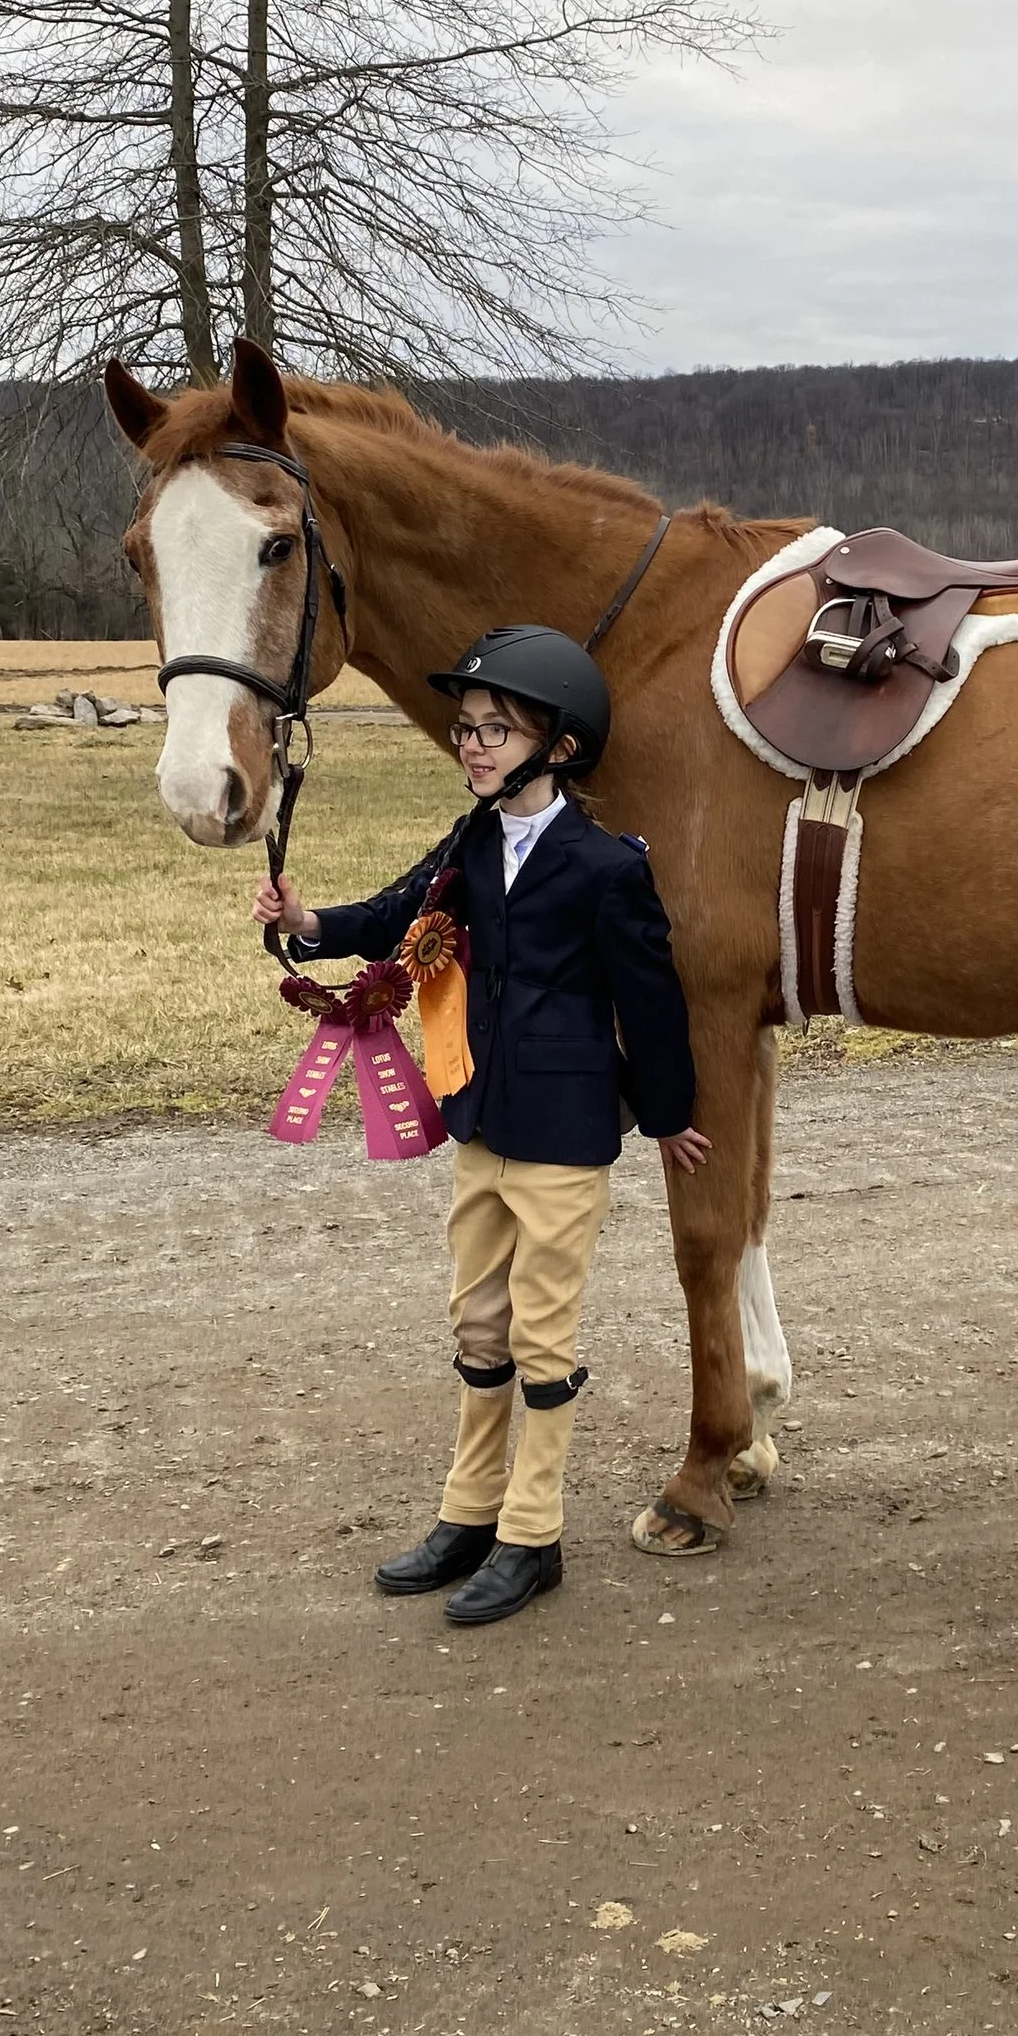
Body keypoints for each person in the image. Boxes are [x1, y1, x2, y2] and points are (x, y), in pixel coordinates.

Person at [255, 625, 710, 1629]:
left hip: (564, 1134)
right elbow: (390, 914)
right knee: (478, 1325)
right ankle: (468, 1514)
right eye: (465, 730)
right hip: (483, 1126)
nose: (472, 746)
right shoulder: (468, 843)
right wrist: (308, 923)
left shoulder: (604, 868)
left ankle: (531, 1535)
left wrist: (671, 1115)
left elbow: (653, 998)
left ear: (559, 746)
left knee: (543, 1337)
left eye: (495, 730)